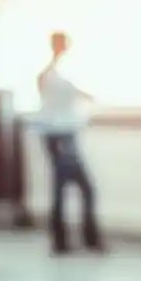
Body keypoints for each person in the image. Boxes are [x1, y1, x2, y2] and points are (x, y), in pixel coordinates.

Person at [34, 31, 105, 255]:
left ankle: (82, 240)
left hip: (66, 135)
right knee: (64, 188)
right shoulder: (49, 74)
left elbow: (80, 95)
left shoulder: (62, 76)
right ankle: (63, 242)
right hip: (58, 137)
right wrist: (54, 56)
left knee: (82, 188)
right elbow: (41, 80)